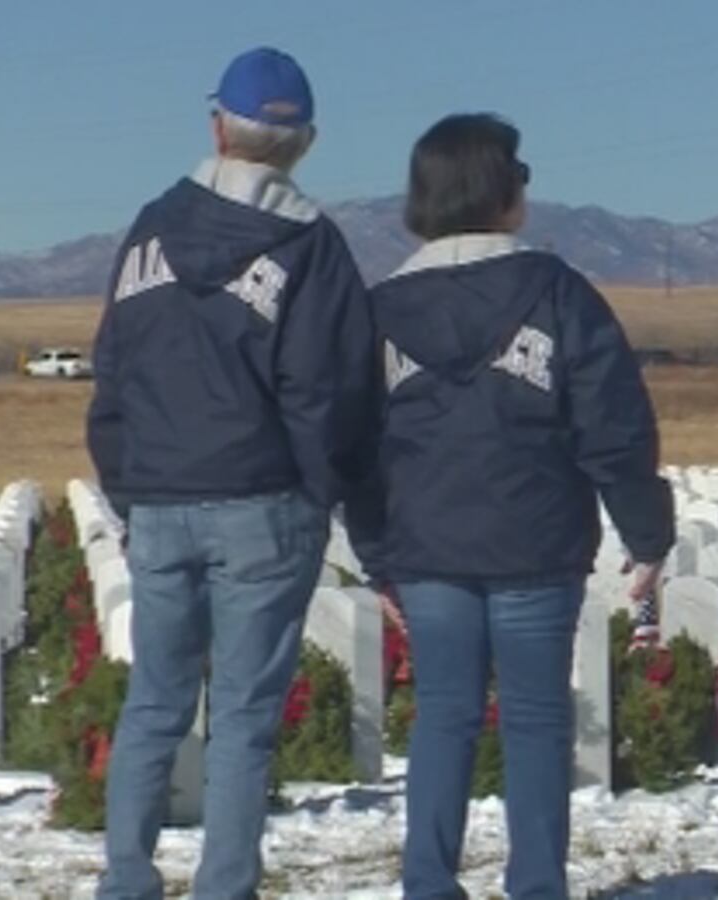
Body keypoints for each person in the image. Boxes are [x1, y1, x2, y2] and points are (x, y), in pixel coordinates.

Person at [358, 113, 674, 898]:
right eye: (520, 175)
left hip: (427, 548)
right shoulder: (558, 293)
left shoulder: (377, 311)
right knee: (534, 719)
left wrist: (376, 552)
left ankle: (427, 883)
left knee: (444, 716)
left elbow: (353, 446)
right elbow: (613, 423)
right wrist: (647, 532)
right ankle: (536, 884)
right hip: (536, 543)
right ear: (500, 192)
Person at [88, 48, 379, 897]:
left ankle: (128, 880)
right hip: (263, 500)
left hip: (161, 497)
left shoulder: (152, 226)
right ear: (307, 143)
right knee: (245, 722)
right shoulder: (312, 248)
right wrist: (324, 488)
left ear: (217, 125)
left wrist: (125, 481)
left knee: (154, 704)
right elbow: (328, 388)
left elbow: (116, 366)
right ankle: (224, 886)